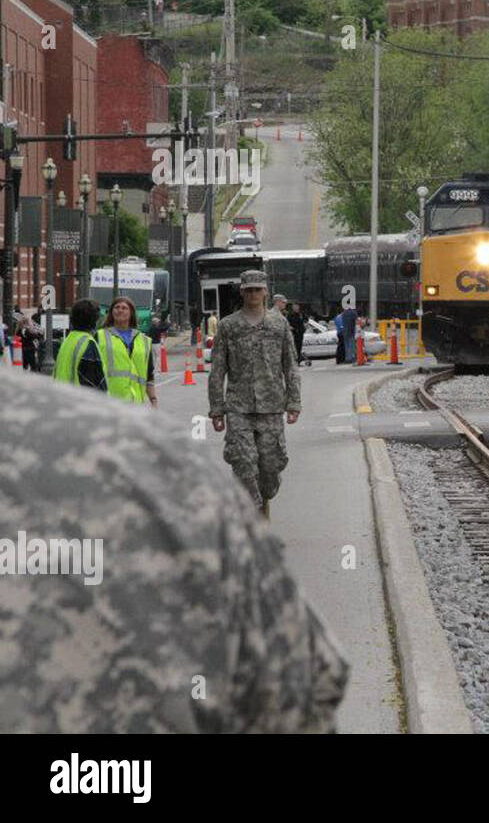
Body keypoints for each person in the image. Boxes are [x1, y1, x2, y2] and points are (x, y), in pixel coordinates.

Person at [0, 369, 347, 732]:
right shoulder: (154, 462)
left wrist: (290, 401)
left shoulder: (154, 463)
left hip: (260, 412)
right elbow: (297, 691)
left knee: (266, 470)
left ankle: (260, 506)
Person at [208, 270, 302, 517]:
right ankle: (255, 518)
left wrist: (294, 402)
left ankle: (263, 498)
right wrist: (216, 409)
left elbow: (290, 365)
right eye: (248, 289)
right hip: (239, 407)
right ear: (242, 291)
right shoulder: (229, 326)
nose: (253, 294)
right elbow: (217, 370)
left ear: (265, 291)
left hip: (271, 406)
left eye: (257, 289)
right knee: (245, 464)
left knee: (270, 468)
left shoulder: (278, 323)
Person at [96, 297, 158, 407]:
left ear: (131, 313)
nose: (120, 310)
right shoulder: (100, 336)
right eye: (116, 307)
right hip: (109, 404)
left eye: (124, 308)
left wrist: (153, 400)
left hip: (136, 405)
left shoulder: (144, 340)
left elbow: (149, 375)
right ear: (111, 312)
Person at [51, 299, 107, 391]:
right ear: (94, 321)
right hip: (77, 402)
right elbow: (94, 385)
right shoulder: (88, 344)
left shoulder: (68, 340)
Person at [288, 301, 308, 365]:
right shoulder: (290, 314)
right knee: (294, 347)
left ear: (298, 307)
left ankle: (298, 360)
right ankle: (296, 361)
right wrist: (290, 327)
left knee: (299, 347)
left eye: (296, 306)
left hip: (300, 333)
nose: (295, 308)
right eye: (294, 307)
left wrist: (305, 325)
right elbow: (287, 323)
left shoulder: (301, 314)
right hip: (294, 333)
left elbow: (306, 320)